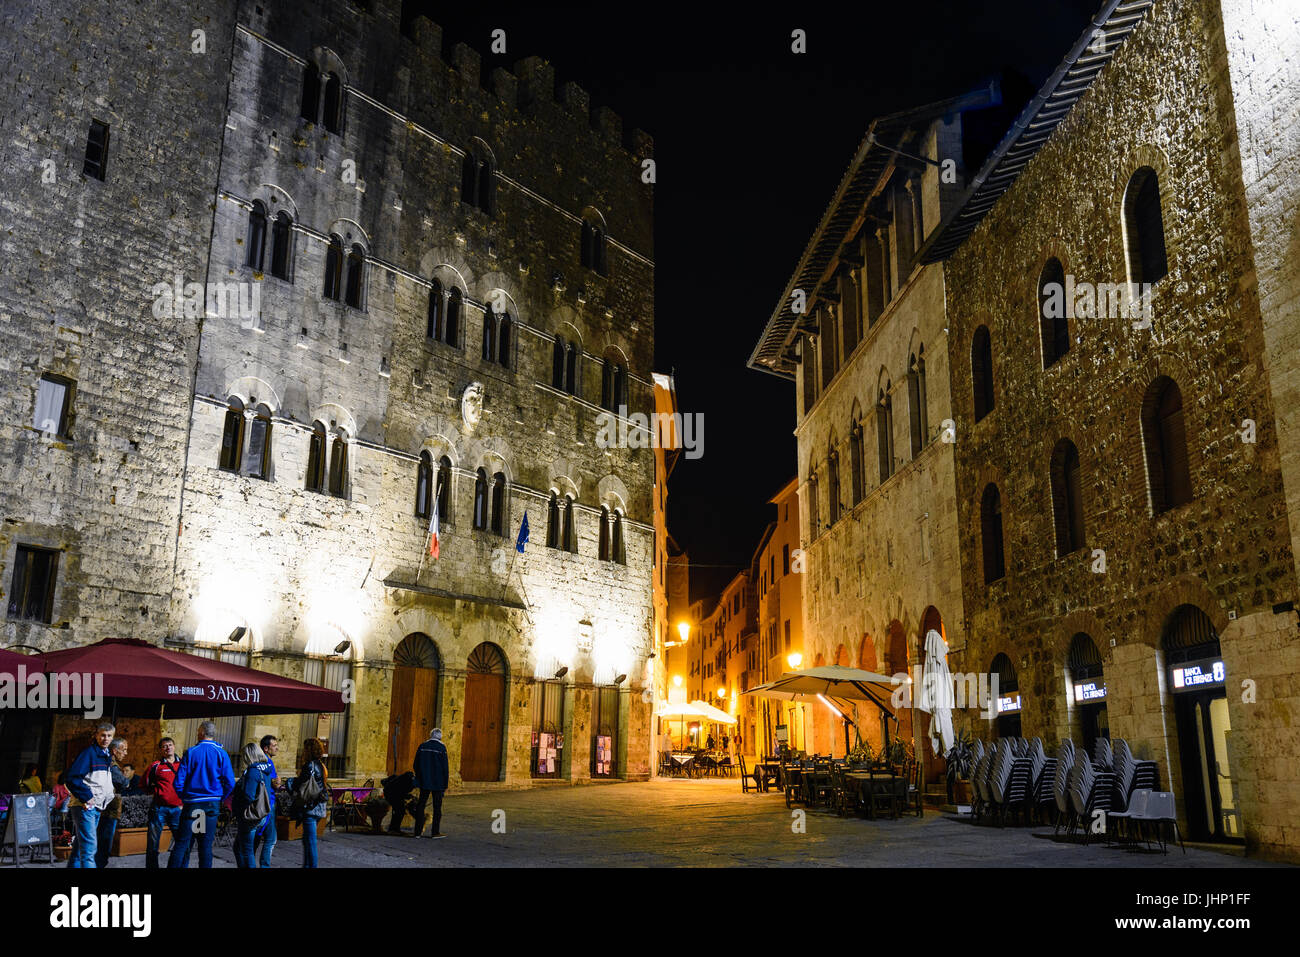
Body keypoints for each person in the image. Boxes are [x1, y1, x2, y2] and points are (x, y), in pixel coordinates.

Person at [167, 721, 236, 869]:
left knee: (181, 844)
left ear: (202, 733)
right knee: (205, 847)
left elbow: (178, 782)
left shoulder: (191, 752)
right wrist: (220, 798)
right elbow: (230, 782)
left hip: (192, 804)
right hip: (211, 805)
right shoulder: (221, 753)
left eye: (198, 731)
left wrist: (184, 797)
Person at [64, 723, 115, 868]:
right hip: (85, 806)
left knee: (80, 848)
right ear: (96, 735)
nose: (105, 738)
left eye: (109, 736)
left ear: (112, 738)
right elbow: (72, 778)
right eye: (103, 735)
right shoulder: (89, 753)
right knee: (89, 849)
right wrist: (87, 797)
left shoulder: (105, 755)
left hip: (96, 806)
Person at [232, 742, 274, 869]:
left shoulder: (252, 771)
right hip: (261, 814)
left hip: (249, 816)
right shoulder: (265, 769)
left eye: (245, 756)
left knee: (246, 851)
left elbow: (248, 796)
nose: (244, 759)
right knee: (240, 848)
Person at [142, 738, 182, 869]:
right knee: (153, 844)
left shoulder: (183, 764)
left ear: (174, 746)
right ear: (161, 750)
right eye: (164, 746)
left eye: (170, 745)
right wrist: (157, 792)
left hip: (178, 809)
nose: (168, 748)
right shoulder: (156, 766)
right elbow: (144, 784)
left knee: (182, 841)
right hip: (159, 809)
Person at [94, 736, 130, 868]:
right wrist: (126, 779)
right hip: (108, 810)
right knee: (104, 844)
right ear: (115, 751)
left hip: (104, 808)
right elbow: (123, 782)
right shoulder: (112, 764)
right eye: (124, 750)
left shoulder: (105, 761)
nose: (126, 753)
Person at [294, 737, 329, 867]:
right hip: (320, 805)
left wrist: (292, 782)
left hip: (311, 806)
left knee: (310, 842)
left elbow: (301, 783)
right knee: (307, 840)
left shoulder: (309, 765)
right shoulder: (322, 765)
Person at [412, 728, 449, 839]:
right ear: (440, 737)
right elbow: (445, 768)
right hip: (438, 783)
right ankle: (435, 832)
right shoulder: (442, 748)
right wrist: (445, 785)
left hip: (424, 781)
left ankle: (417, 832)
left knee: (421, 805)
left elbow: (415, 764)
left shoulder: (422, 746)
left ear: (430, 735)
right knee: (437, 807)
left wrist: (419, 777)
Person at [252, 734, 281, 867]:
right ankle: (264, 865)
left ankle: (249, 862)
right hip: (269, 803)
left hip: (262, 803)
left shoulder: (261, 761)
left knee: (257, 837)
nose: (277, 748)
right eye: (274, 746)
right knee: (271, 839)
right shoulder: (267, 763)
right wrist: (277, 782)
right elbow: (272, 784)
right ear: (266, 748)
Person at [380, 770, 416, 834]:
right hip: (391, 794)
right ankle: (394, 829)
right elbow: (401, 792)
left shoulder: (405, 779)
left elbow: (401, 792)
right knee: (400, 811)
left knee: (398, 811)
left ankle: (394, 828)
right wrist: (408, 796)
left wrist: (408, 796)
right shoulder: (407, 782)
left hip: (392, 792)